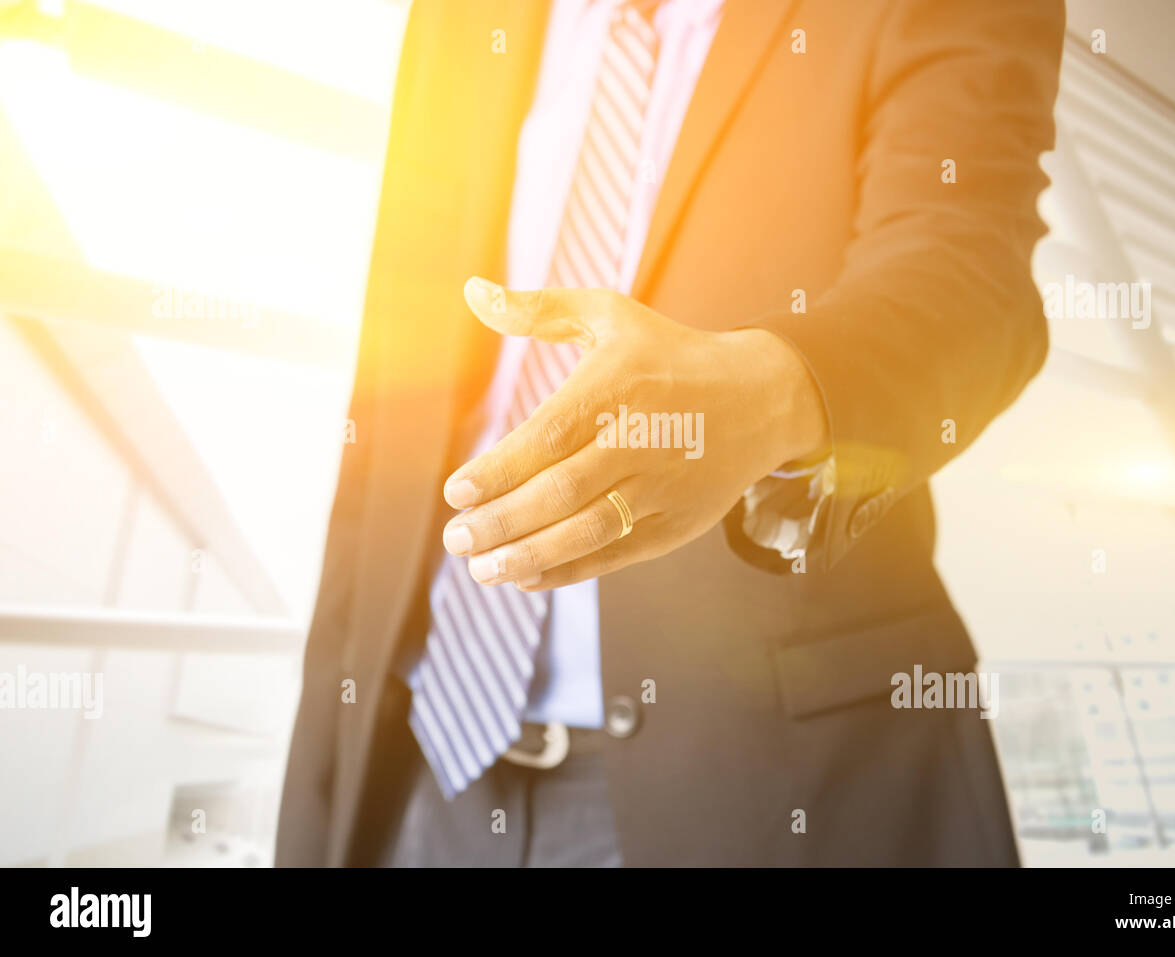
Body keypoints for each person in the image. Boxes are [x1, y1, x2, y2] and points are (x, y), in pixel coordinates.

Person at [276, 0, 1064, 867]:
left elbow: (970, 272)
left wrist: (777, 389)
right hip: (420, 773)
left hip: (773, 789)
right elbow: (391, 407)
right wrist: (319, 807)